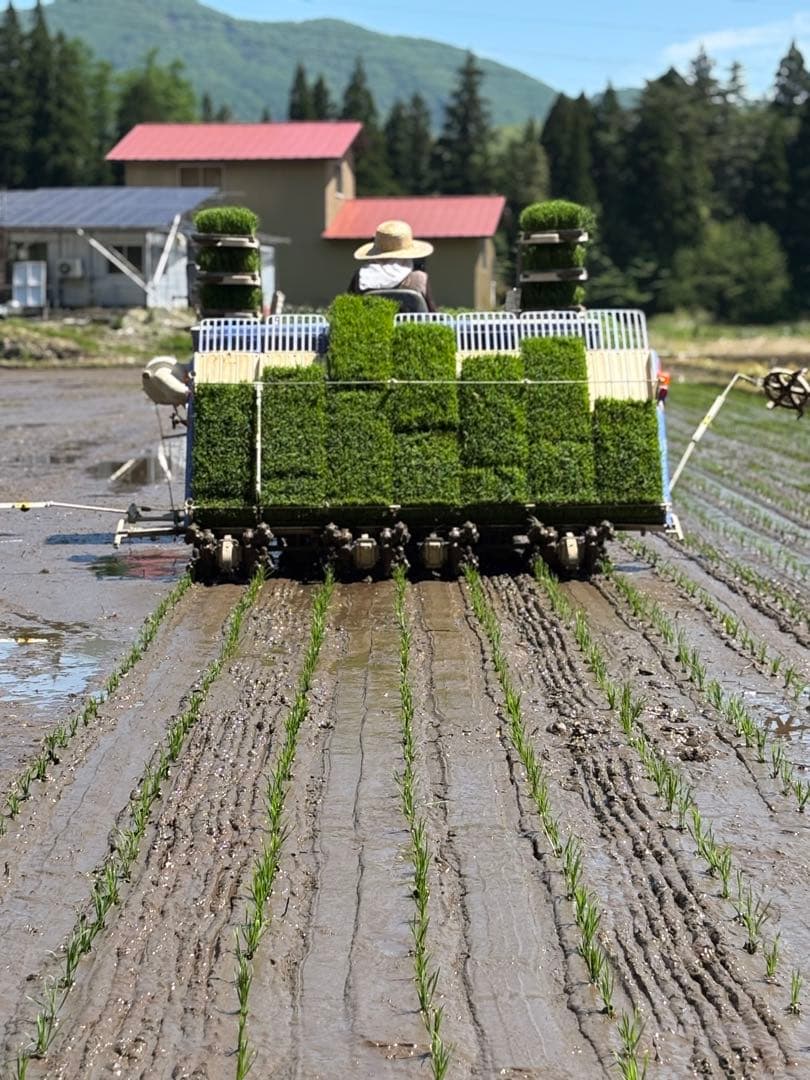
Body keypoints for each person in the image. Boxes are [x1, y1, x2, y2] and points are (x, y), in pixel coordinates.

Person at [348, 219, 437, 311]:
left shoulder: (362, 277)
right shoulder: (419, 278)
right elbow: (432, 312)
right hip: (412, 325)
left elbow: (349, 307)